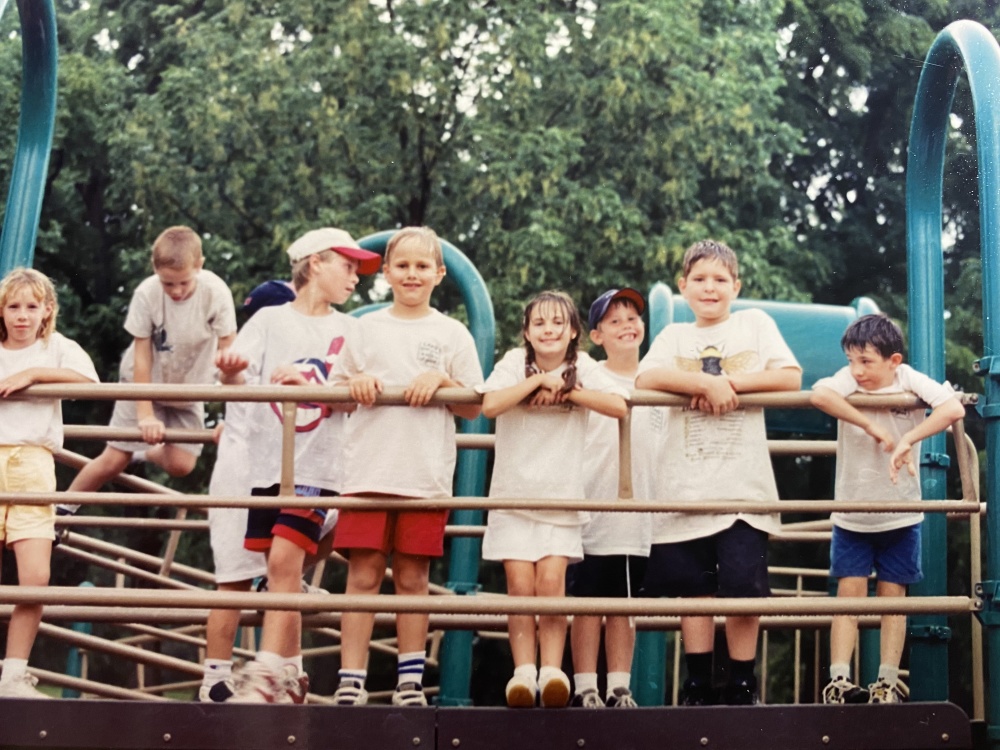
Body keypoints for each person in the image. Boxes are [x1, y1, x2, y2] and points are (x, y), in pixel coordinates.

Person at [217, 228, 381, 704]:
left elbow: (357, 393)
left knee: (284, 562)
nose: (355, 278)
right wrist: (230, 371)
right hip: (270, 468)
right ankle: (291, 671)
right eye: (346, 266)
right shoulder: (270, 321)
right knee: (278, 570)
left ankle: (266, 671)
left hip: (322, 470)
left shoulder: (352, 329)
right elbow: (237, 385)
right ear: (314, 265)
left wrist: (313, 382)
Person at [635, 239, 801, 706]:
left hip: (741, 486)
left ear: (737, 286)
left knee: (743, 589)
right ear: (683, 286)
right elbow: (646, 379)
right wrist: (701, 381)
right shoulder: (671, 338)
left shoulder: (754, 324)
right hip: (686, 485)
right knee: (695, 592)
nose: (710, 288)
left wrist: (730, 384)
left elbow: (789, 376)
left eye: (720, 279)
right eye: (700, 279)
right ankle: (699, 683)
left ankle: (742, 684)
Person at [331, 226, 483, 707]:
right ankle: (351, 678)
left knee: (415, 579)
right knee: (363, 575)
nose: (412, 274)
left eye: (422, 266)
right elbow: (332, 393)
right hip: (368, 473)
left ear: (439, 274)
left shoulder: (450, 332)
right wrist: (356, 382)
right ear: (387, 273)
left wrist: (441, 379)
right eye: (402, 266)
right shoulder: (364, 328)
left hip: (423, 477)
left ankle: (410, 682)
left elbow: (474, 405)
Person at [478, 290, 629, 709]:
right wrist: (535, 382)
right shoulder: (513, 363)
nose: (549, 330)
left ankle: (552, 671)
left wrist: (568, 390)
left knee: (551, 584)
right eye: (539, 323)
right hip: (513, 497)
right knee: (520, 586)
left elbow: (618, 406)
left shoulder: (583, 367)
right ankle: (523, 673)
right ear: (526, 332)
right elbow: (489, 405)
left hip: (561, 499)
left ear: (574, 331)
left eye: (558, 323)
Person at [811, 313, 964, 705]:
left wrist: (907, 439)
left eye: (866, 361)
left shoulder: (907, 377)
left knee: (893, 595)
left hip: (899, 512)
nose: (857, 370)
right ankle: (840, 679)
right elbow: (819, 395)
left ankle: (887, 681)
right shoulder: (850, 380)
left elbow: (952, 409)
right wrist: (872, 426)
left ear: (893, 361)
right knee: (850, 593)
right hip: (853, 513)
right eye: (851, 361)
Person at [63, 226, 237, 507]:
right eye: (168, 284)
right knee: (114, 459)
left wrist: (235, 417)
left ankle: (143, 452)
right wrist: (145, 415)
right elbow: (142, 357)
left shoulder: (215, 293)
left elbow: (230, 357)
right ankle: (63, 509)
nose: (177, 291)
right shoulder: (147, 294)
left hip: (190, 385)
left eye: (184, 282)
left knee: (183, 465)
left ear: (199, 266)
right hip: (144, 379)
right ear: (155, 270)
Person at [0, 269, 99, 698]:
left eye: (31, 307)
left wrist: (36, 374)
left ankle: (14, 672)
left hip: (33, 464)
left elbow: (91, 384)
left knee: (35, 575)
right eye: (13, 306)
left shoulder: (55, 348)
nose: (22, 316)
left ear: (46, 311)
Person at [199, 279, 298, 703]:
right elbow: (233, 381)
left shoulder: (249, 349)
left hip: (258, 471)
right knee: (264, 582)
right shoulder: (260, 352)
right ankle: (277, 675)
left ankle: (231, 677)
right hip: (252, 475)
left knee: (267, 581)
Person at [568, 288, 660, 709]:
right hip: (590, 500)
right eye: (615, 319)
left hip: (637, 508)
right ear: (596, 335)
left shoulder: (657, 379)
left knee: (624, 601)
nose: (627, 324)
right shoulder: (586, 373)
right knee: (586, 602)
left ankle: (618, 686)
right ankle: (585, 685)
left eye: (633, 317)